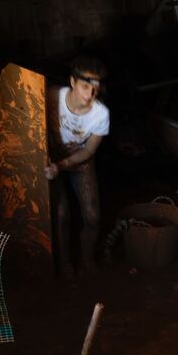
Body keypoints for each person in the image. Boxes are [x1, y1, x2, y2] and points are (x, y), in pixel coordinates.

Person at [45, 55, 110, 274]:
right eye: (85, 86)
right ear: (73, 81)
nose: (90, 95)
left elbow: (89, 150)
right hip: (50, 160)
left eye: (95, 89)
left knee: (93, 216)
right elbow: (23, 117)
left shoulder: (101, 114)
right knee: (61, 214)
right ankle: (65, 264)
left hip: (81, 161)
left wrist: (64, 164)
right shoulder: (51, 96)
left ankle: (87, 259)